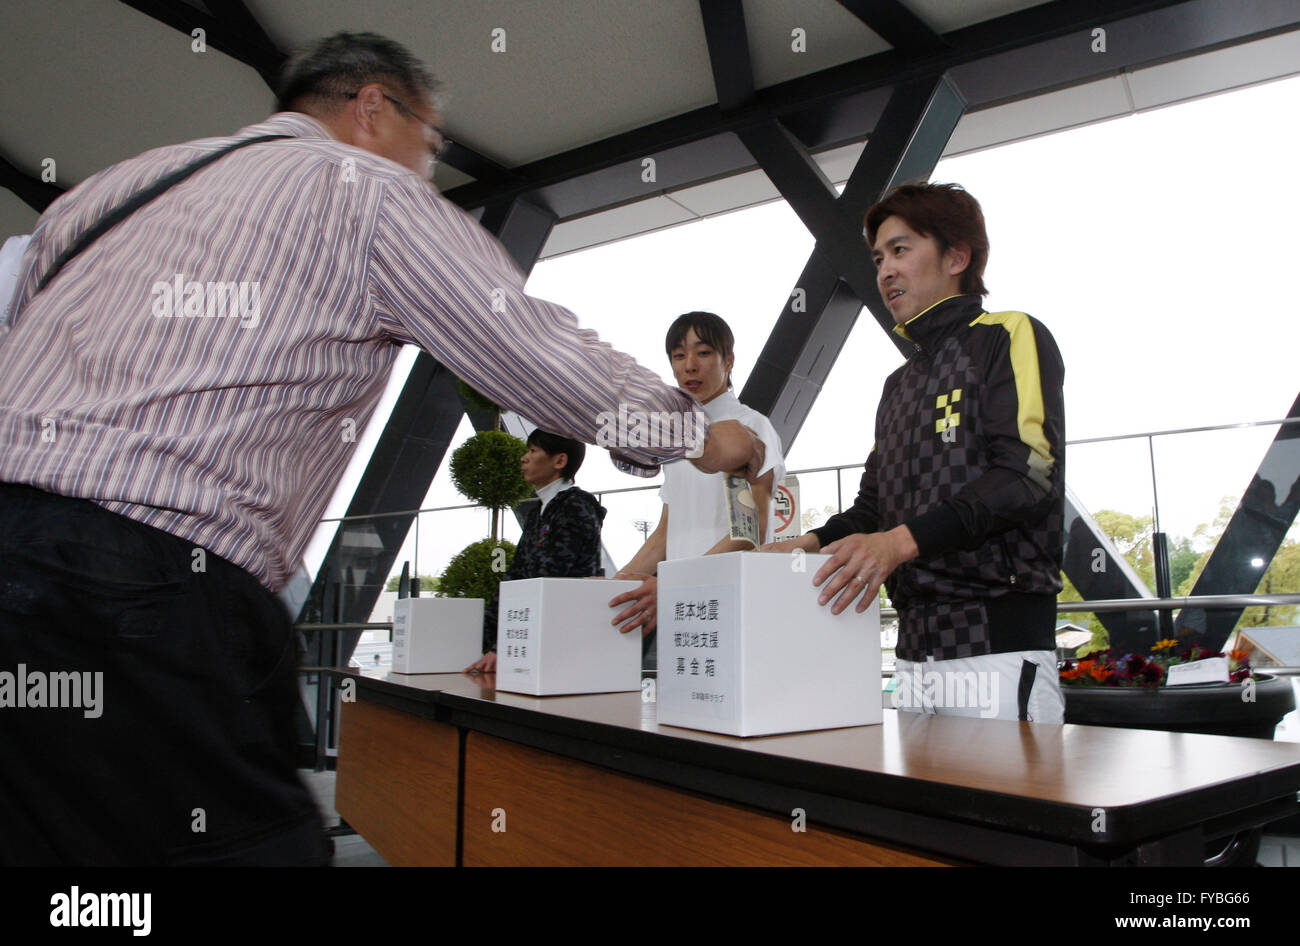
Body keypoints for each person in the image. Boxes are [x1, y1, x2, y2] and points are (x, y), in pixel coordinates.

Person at [0, 32, 763, 865]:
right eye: (431, 144)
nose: (428, 170)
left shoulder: (104, 195)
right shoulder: (359, 190)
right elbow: (527, 345)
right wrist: (690, 432)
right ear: (372, 107)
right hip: (145, 579)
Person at [764, 182, 1066, 723]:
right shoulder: (898, 384)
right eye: (878, 257)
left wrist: (898, 544)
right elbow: (872, 513)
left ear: (957, 256)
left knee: (1000, 809)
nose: (884, 271)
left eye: (901, 250)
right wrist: (789, 551)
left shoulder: (1007, 335)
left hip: (996, 646)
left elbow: (1027, 474)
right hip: (911, 656)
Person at [610, 312, 785, 638]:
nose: (689, 365)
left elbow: (749, 532)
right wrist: (614, 585)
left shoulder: (749, 429)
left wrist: (674, 584)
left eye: (703, 353)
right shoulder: (679, 439)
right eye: (678, 355)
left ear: (728, 360)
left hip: (733, 602)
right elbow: (665, 534)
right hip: (682, 606)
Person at [466, 430, 605, 674]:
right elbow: (515, 576)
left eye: (532, 451)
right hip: (535, 634)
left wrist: (502, 648)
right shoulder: (539, 511)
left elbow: (552, 580)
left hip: (563, 638)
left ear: (559, 461)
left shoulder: (575, 505)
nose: (524, 458)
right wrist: (479, 641)